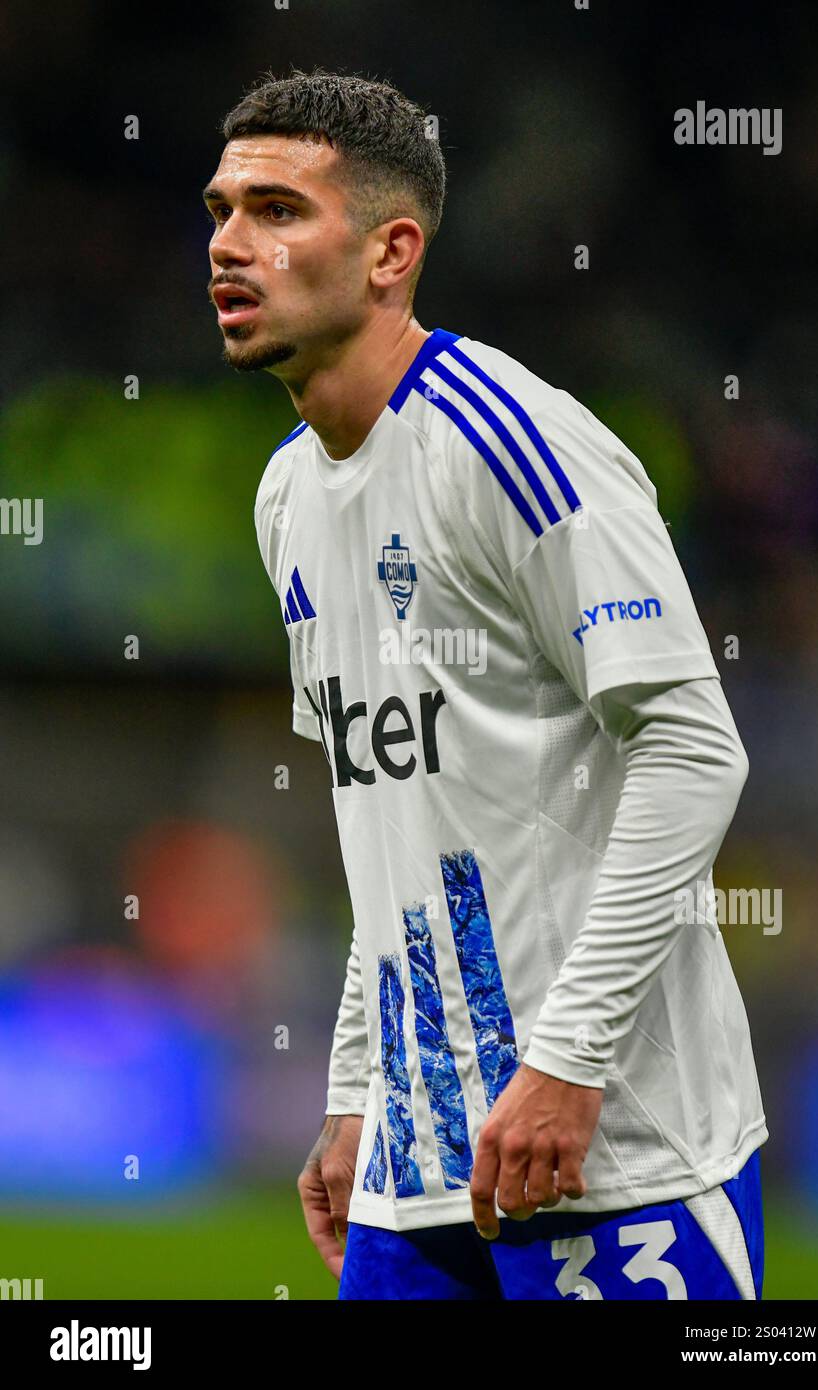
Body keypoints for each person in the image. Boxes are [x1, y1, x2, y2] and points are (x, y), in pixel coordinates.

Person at [204, 68, 767, 1300]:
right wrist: (356, 1088)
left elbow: (690, 747)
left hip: (617, 1152)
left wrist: (566, 1061)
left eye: (276, 210)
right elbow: (392, 822)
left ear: (390, 251)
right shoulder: (287, 494)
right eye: (221, 210)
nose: (230, 246)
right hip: (416, 1174)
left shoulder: (512, 442)